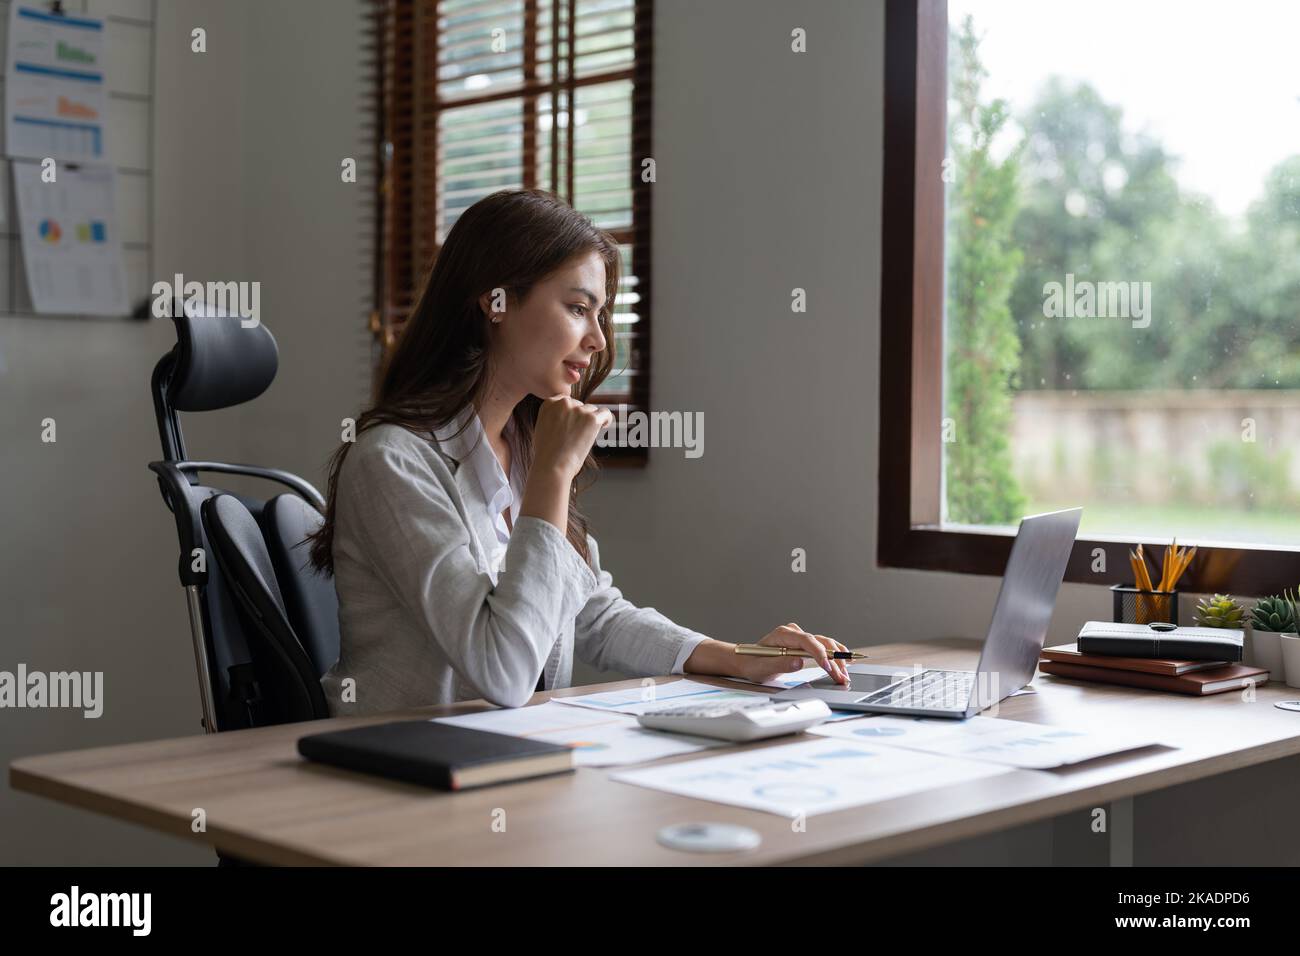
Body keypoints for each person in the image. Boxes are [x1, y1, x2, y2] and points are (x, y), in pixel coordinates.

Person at [308, 188, 848, 715]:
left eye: (600, 315)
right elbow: (503, 672)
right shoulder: (393, 461)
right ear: (495, 301)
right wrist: (552, 475)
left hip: (509, 759)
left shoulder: (524, 446)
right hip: (397, 774)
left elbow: (590, 614)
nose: (596, 340)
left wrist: (737, 658)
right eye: (577, 308)